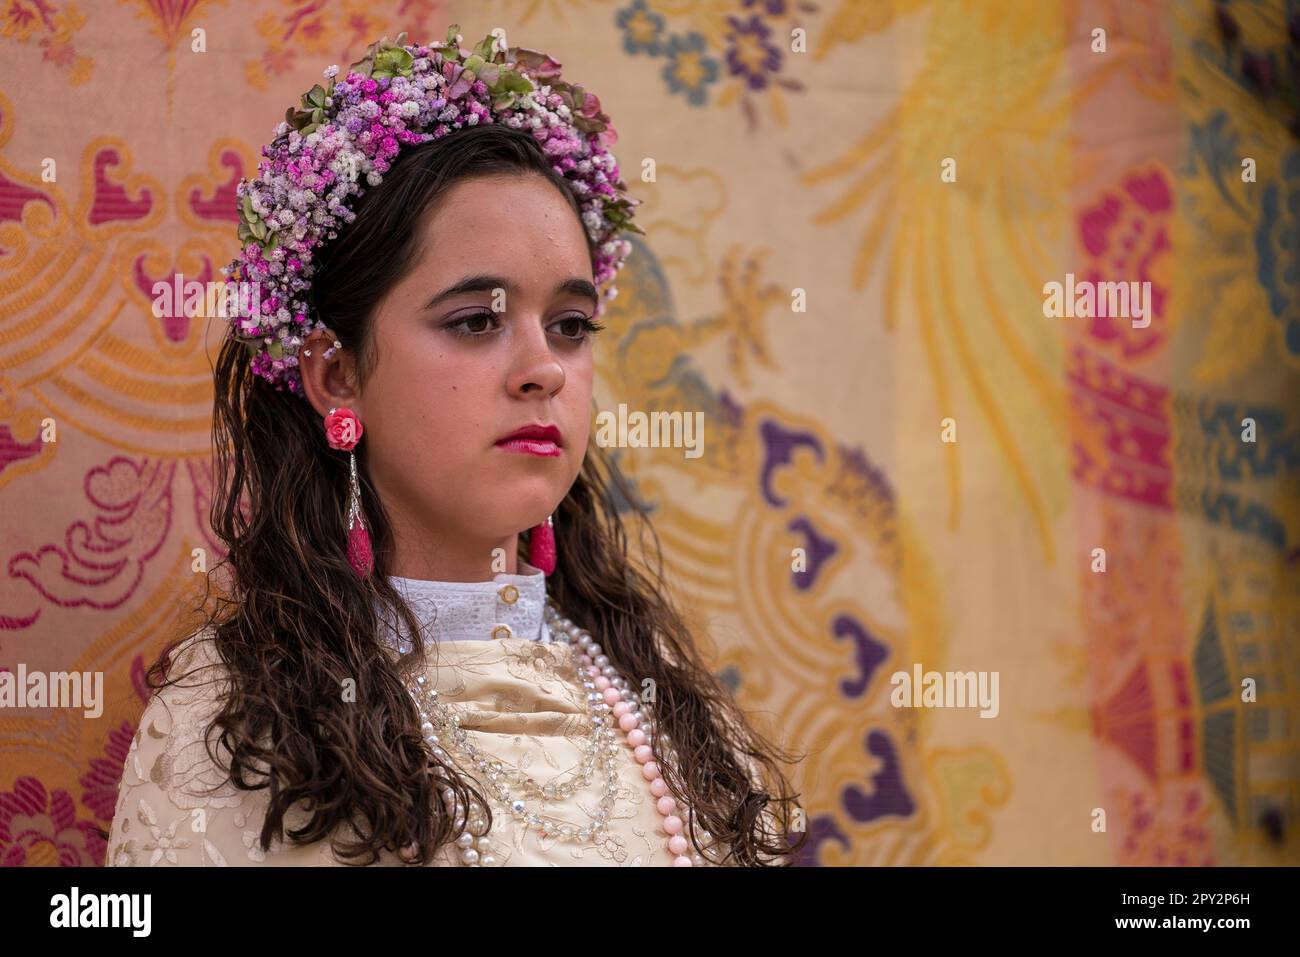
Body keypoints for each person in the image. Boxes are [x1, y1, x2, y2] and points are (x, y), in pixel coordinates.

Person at [106, 26, 805, 867]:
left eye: (571, 325)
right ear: (336, 374)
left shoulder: (668, 708)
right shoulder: (232, 730)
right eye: (476, 320)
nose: (543, 368)